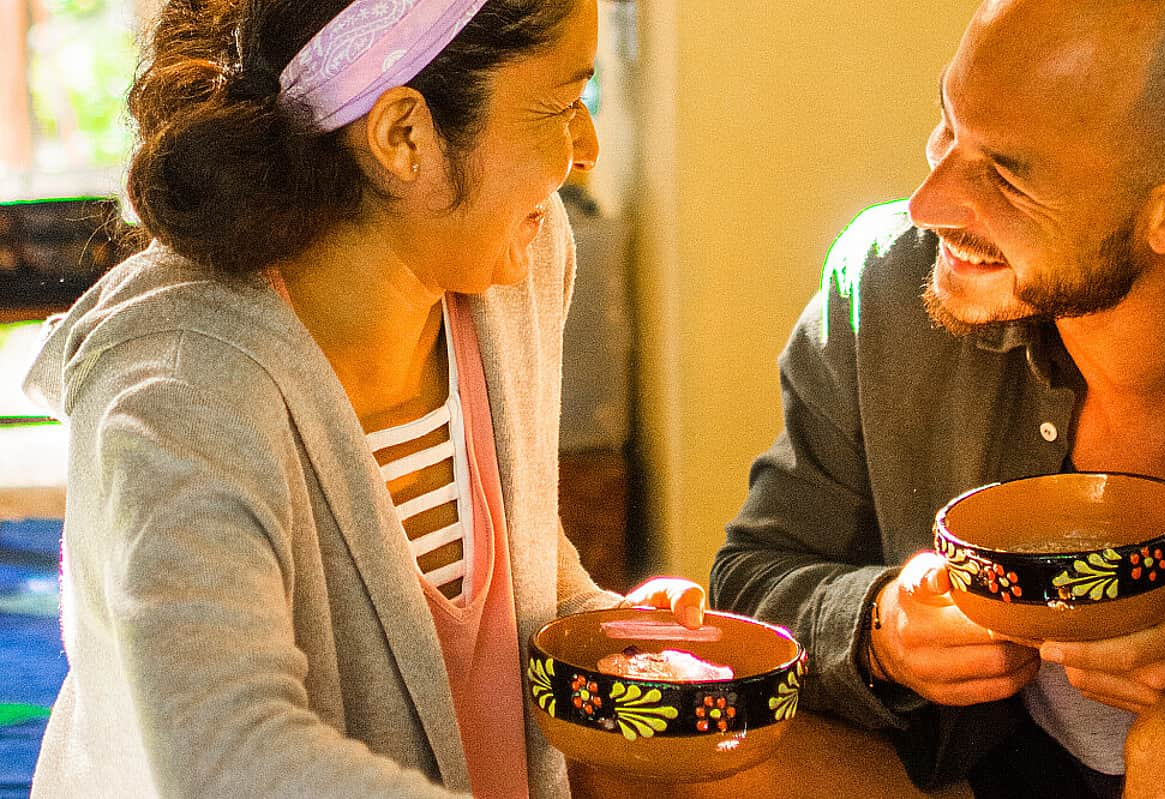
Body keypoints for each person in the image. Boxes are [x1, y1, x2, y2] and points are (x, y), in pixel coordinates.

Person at [21, 1, 704, 797]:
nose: (586, 150)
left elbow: (510, 552)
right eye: (562, 104)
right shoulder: (182, 389)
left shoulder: (512, 270)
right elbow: (231, 760)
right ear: (403, 136)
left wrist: (601, 628)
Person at [711, 1, 1165, 798]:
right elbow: (748, 581)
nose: (928, 202)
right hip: (964, 777)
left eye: (1006, 171)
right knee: (652, 754)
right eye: (947, 126)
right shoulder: (884, 283)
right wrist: (879, 629)